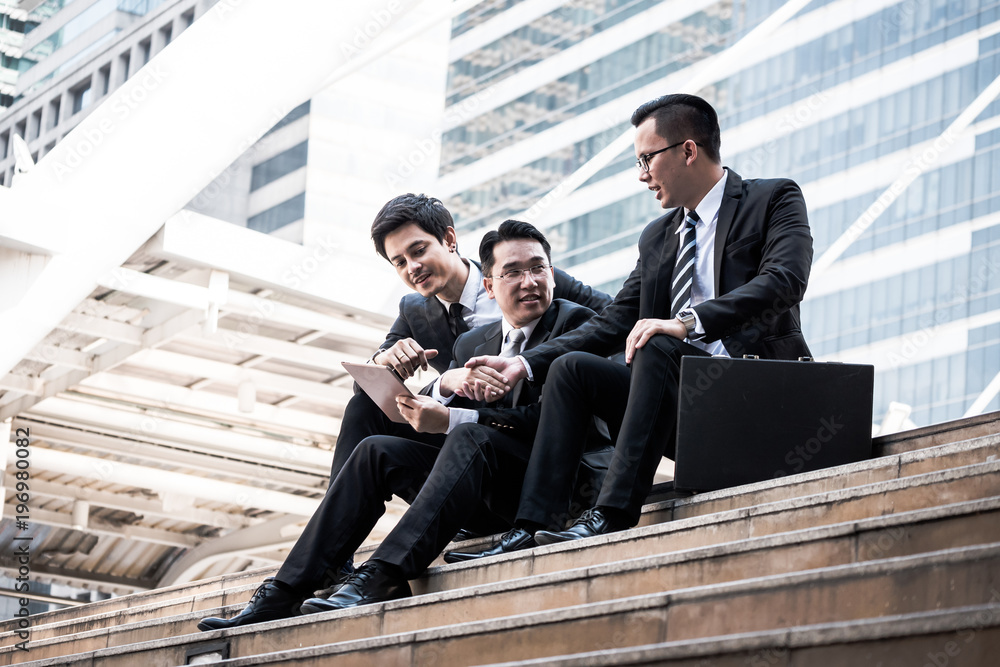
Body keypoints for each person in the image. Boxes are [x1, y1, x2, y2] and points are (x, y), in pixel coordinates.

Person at [197, 220, 609, 630]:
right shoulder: (470, 341)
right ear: (490, 285)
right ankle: (289, 587)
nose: (528, 282)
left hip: (560, 490)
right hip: (491, 487)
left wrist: (452, 416)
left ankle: (385, 574)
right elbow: (384, 366)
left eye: (537, 269)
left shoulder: (578, 326)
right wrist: (440, 389)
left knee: (467, 432)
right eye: (513, 273)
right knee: (376, 448)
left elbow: (554, 419)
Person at [455, 93, 813, 555]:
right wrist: (524, 365)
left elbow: (785, 280)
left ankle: (611, 513)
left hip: (751, 397)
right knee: (574, 369)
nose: (641, 174)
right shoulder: (659, 236)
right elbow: (614, 319)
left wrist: (686, 323)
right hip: (679, 410)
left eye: (647, 159)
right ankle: (531, 525)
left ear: (687, 150)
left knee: (656, 344)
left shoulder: (773, 198)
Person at [329, 194, 612, 484]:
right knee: (364, 410)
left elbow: (616, 318)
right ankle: (336, 511)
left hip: (535, 432)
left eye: (419, 250)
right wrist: (383, 360)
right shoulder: (413, 310)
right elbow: (364, 388)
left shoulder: (527, 276)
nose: (412, 267)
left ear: (449, 239)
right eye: (399, 262)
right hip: (459, 431)